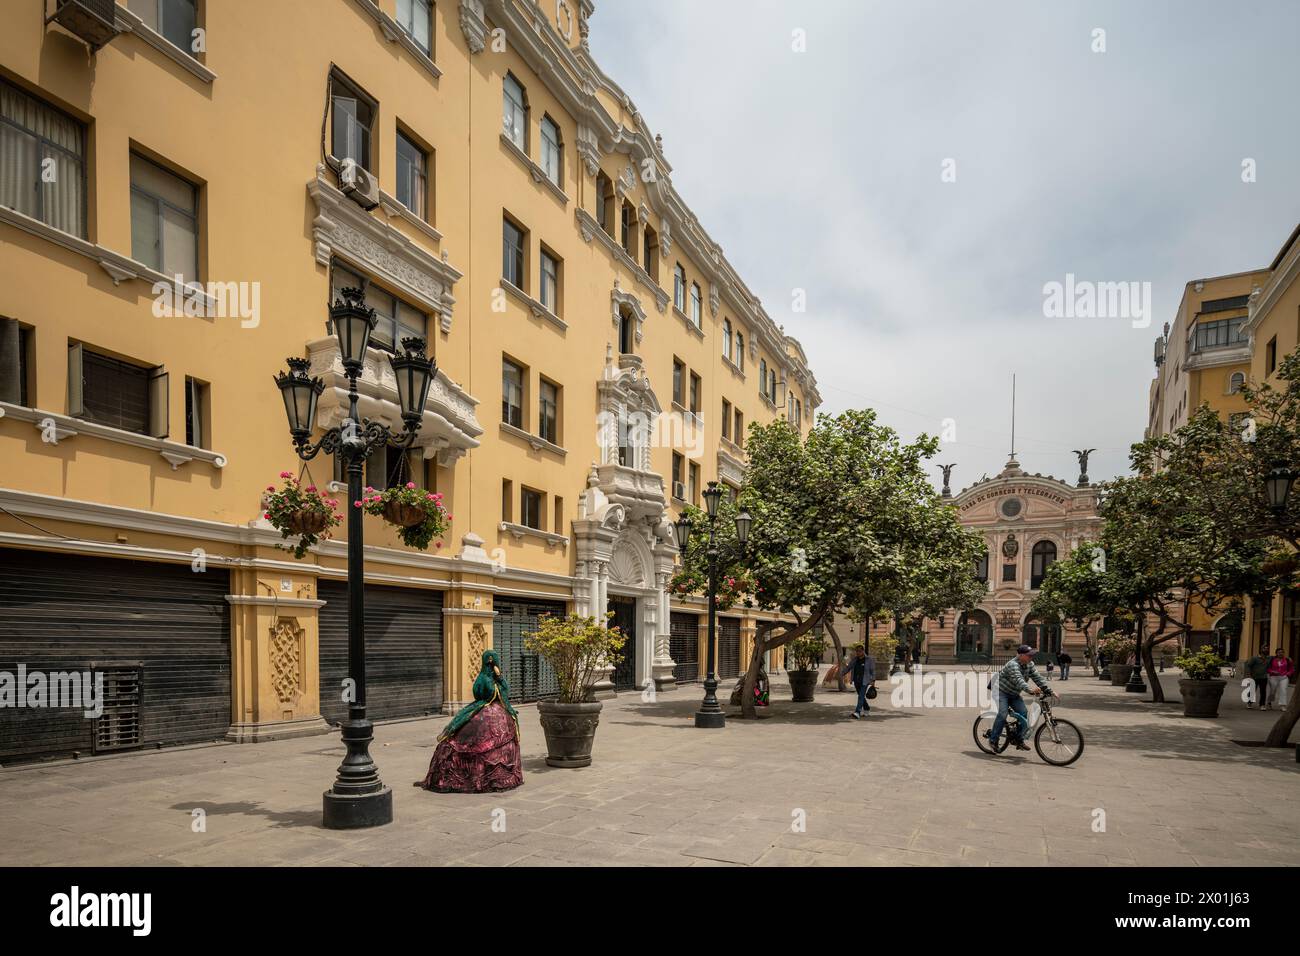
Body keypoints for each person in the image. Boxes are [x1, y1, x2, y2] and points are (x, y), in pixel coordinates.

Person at [416, 649, 522, 793]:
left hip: (499, 714)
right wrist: (492, 683)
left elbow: (504, 692)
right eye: (488, 661)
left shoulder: (497, 677)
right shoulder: (482, 678)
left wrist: (499, 677)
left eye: (493, 661)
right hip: (482, 709)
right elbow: (481, 692)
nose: (491, 664)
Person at [987, 644, 1051, 752]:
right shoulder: (1012, 665)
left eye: (1032, 655)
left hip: (1014, 694)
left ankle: (1018, 739)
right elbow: (1019, 680)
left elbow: (1037, 677)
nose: (1031, 657)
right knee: (1003, 714)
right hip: (1000, 691)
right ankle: (993, 739)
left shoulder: (1029, 664)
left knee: (1024, 715)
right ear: (1021, 655)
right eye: (1029, 655)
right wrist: (1031, 690)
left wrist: (1049, 690)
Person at [845, 642, 876, 719]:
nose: (858, 653)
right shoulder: (855, 660)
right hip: (856, 681)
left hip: (865, 681)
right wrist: (841, 673)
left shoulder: (869, 660)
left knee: (861, 696)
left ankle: (857, 712)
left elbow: (873, 671)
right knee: (861, 696)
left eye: (859, 651)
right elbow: (848, 667)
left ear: (863, 651)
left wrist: (873, 680)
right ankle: (867, 708)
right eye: (857, 651)